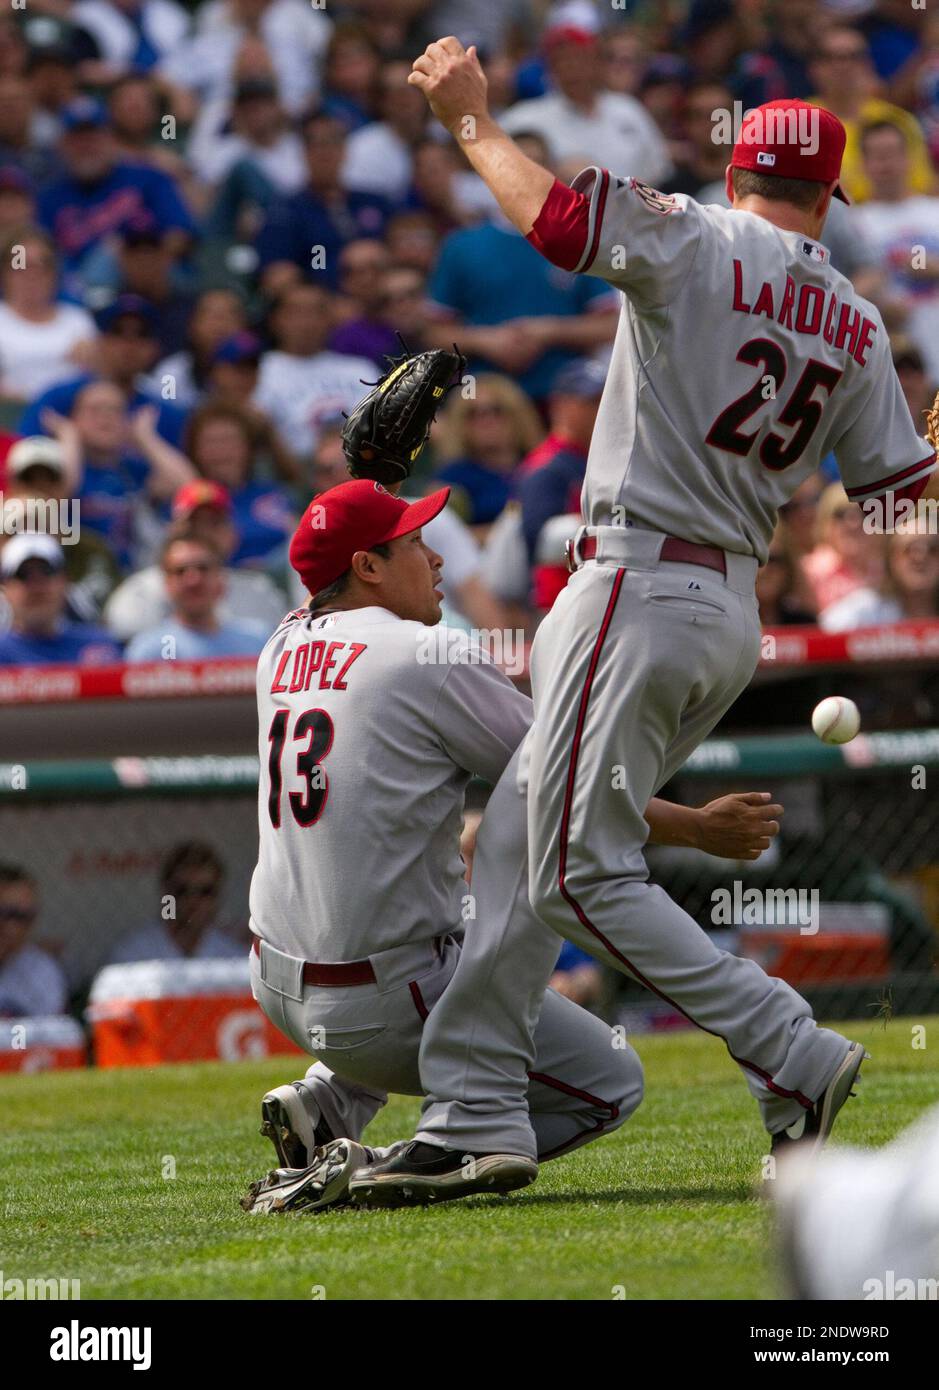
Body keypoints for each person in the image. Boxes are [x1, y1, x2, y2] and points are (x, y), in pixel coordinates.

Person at [348, 48, 939, 1204]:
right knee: (524, 849)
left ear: (738, 167)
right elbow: (899, 499)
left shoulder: (704, 236)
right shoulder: (861, 324)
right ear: (826, 195)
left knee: (573, 867)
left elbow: (554, 219)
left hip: (637, 579)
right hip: (726, 607)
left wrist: (472, 121)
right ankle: (474, 1112)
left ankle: (793, 1047)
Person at [241, 478, 781, 1211]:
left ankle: (329, 1103)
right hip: (387, 1000)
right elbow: (567, 778)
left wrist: (367, 471)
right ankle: (402, 1160)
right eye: (414, 544)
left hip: (275, 982)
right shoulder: (423, 653)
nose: (435, 561)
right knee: (610, 1085)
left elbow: (319, 588)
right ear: (367, 567)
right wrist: (695, 827)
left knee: (461, 920)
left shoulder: (279, 643)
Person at [105, 479, 288, 640]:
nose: (204, 532)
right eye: (194, 523)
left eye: (214, 523)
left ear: (232, 534)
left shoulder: (258, 590)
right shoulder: (141, 592)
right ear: (172, 531)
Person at [500, 23, 671, 185]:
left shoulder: (628, 109)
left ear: (598, 62)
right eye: (562, 60)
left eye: (579, 58)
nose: (572, 67)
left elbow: (658, 172)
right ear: (551, 68)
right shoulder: (525, 117)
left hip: (629, 213)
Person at [255, 108, 391, 297]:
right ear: (304, 152)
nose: (325, 152)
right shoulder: (286, 211)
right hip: (323, 305)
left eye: (333, 142)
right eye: (316, 144)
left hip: (383, 300)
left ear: (345, 150)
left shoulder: (375, 202)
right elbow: (276, 276)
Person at [851, 120, 939, 380]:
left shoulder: (933, 211)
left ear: (908, 158)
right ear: (863, 165)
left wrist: (925, 264)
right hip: (886, 361)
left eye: (892, 155)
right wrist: (877, 304)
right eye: (877, 157)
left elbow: (923, 264)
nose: (886, 165)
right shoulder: (853, 221)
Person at [254, 281, 377, 459]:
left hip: (366, 464)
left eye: (316, 312)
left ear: (329, 318)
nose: (307, 322)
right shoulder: (259, 371)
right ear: (275, 320)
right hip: (296, 471)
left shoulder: (360, 369)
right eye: (296, 313)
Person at [124, 531, 270, 661]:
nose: (193, 580)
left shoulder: (258, 642)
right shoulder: (147, 652)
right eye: (180, 571)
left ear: (221, 578)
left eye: (203, 568)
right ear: (166, 583)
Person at [0, 227, 98, 401]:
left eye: (43, 266)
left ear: (55, 273)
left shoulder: (77, 320)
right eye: (21, 264)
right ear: (5, 272)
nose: (32, 274)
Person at [108, 841, 241, 964]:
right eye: (182, 890)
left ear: (218, 895)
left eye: (205, 891)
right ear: (166, 893)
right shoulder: (133, 953)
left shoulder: (232, 955)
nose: (193, 900)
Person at [0, 532, 121, 666]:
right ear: (5, 586)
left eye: (47, 571)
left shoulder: (100, 646)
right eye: (22, 574)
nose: (36, 586)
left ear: (65, 581)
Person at [820, 513, 939, 631]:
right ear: (891, 559)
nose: (920, 558)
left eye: (932, 550)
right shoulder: (865, 610)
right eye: (908, 550)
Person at [0, 864, 68, 1017]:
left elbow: (51, 1036)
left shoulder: (41, 970)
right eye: (4, 912)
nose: (10, 926)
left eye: (23, 916)